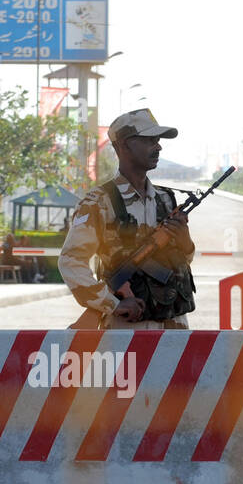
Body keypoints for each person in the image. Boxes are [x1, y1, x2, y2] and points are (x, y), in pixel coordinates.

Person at [58, 108, 194, 329]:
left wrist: (185, 241)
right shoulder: (99, 202)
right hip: (127, 330)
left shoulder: (165, 199)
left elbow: (181, 261)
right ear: (123, 145)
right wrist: (111, 303)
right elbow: (71, 262)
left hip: (174, 325)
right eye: (149, 140)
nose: (158, 146)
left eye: (158, 140)